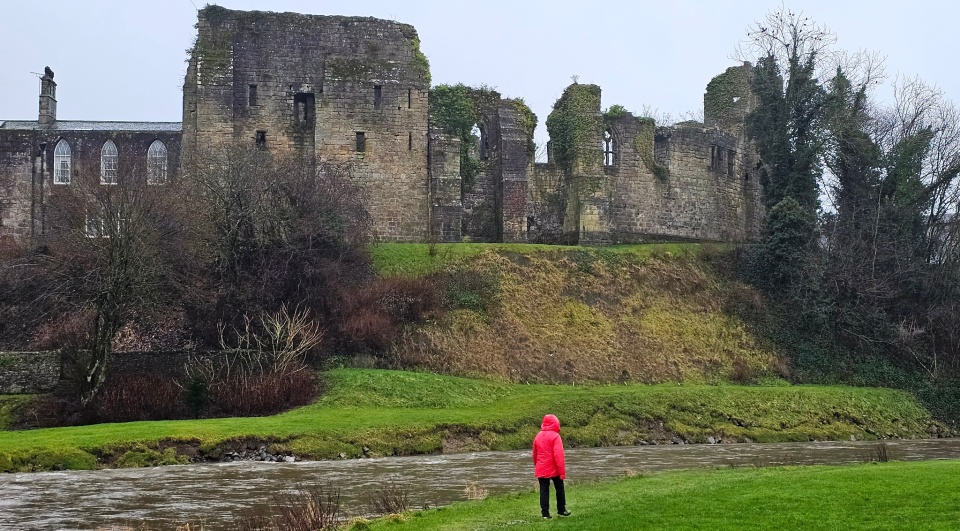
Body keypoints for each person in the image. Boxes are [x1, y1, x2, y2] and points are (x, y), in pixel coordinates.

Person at [532, 413, 571, 519]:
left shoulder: (538, 436)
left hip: (541, 467)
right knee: (559, 488)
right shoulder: (555, 436)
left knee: (544, 490)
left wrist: (537, 465)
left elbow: (534, 454)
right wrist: (562, 472)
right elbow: (559, 455)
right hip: (554, 468)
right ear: (555, 423)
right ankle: (561, 510)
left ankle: (545, 514)